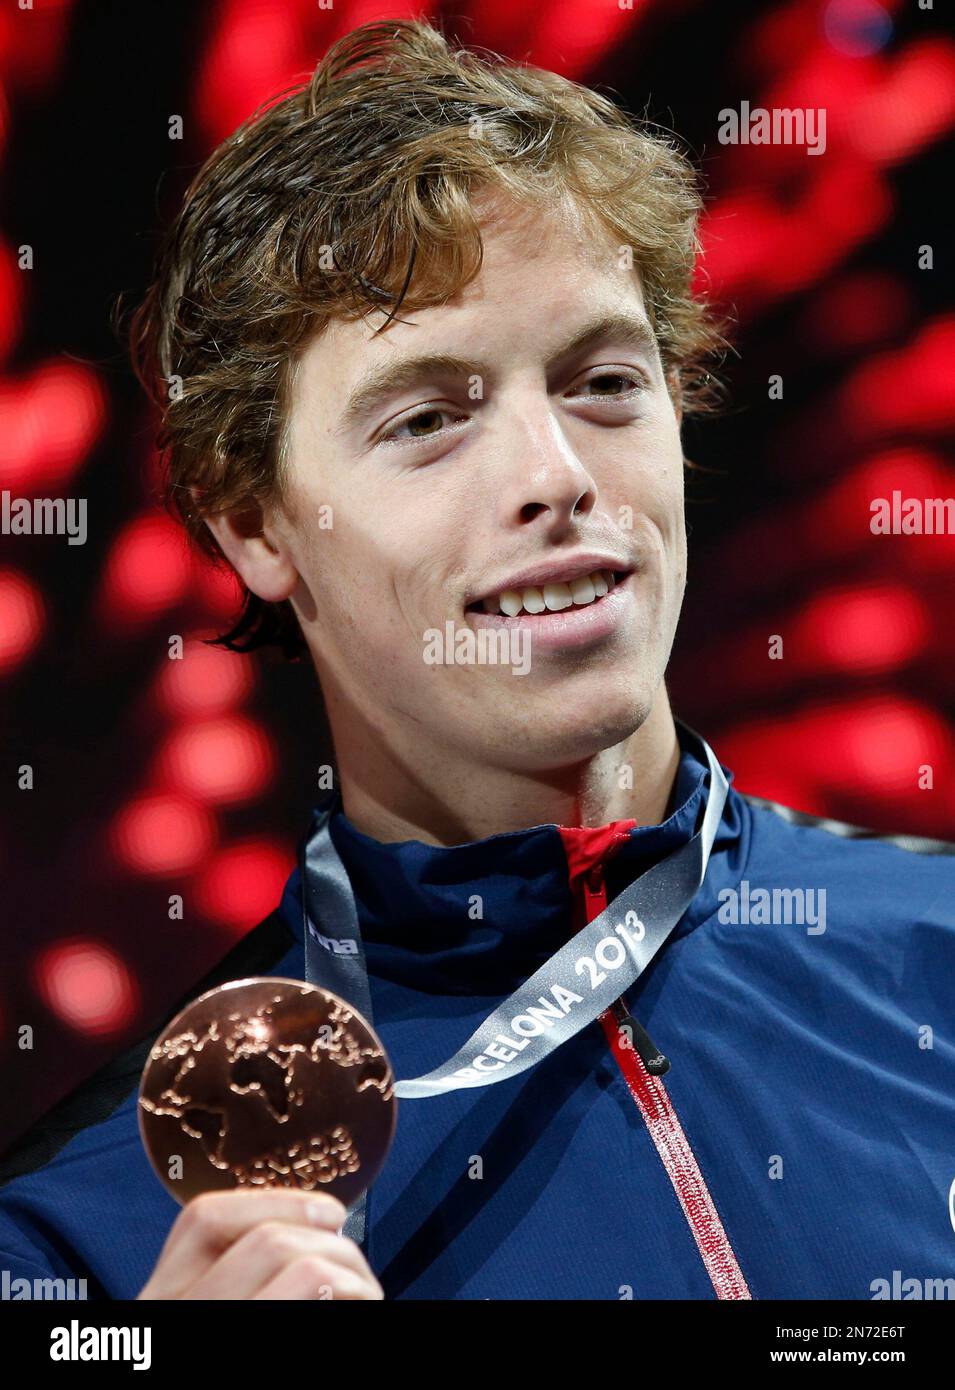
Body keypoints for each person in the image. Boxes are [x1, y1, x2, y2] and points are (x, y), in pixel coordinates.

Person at [2, 17, 953, 1303]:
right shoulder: (81, 1238)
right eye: (430, 418)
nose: (556, 478)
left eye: (604, 382)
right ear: (254, 522)